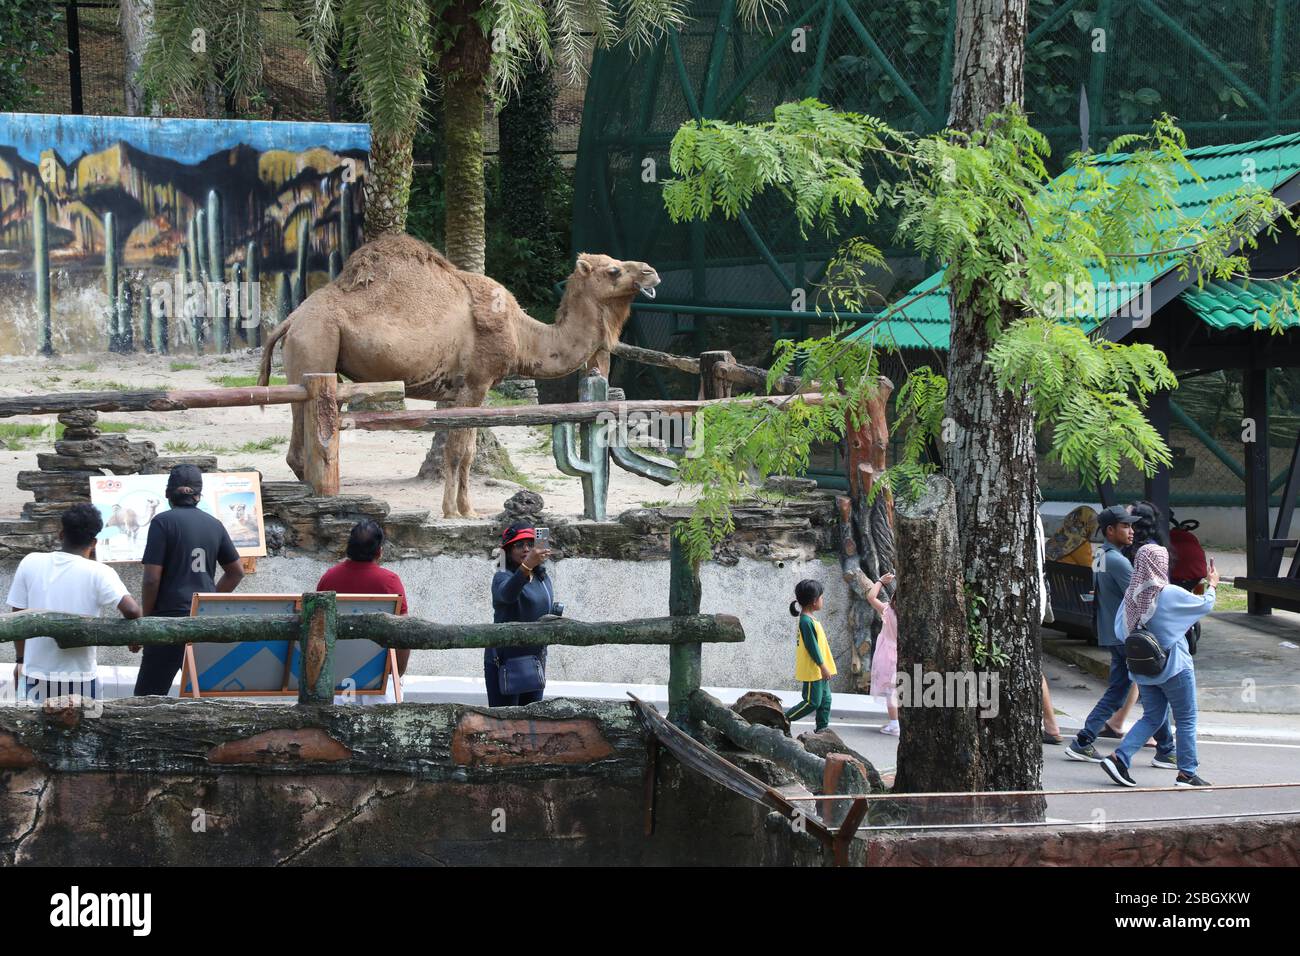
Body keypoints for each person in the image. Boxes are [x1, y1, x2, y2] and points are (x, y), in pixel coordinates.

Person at [1101, 544, 1218, 788]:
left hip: (1143, 668)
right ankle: (1187, 773)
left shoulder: (1130, 597)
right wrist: (1213, 584)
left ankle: (1119, 758)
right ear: (1161, 565)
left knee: (1153, 716)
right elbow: (1205, 605)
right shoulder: (1169, 592)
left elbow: (1120, 632)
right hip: (1174, 667)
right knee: (1186, 719)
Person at [1066, 505, 1175, 765]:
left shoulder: (1101, 555)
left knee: (1129, 690)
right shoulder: (1117, 561)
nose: (1131, 530)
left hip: (1112, 633)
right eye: (1125, 526)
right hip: (1127, 634)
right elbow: (1145, 594)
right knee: (1152, 688)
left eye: (1132, 525)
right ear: (1110, 530)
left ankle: (1164, 748)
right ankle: (1166, 749)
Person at [8, 504, 142, 703]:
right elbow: (131, 610)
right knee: (89, 731)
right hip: (81, 677)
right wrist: (134, 636)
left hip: (34, 674)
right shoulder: (100, 572)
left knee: (32, 732)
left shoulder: (30, 562)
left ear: (61, 534)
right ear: (94, 542)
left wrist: (21, 660)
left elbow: (17, 614)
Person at [131, 465, 244, 696]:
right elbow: (236, 572)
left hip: (166, 622)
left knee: (148, 699)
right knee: (202, 696)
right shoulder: (215, 524)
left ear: (167, 493)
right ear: (198, 496)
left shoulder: (162, 522)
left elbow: (152, 579)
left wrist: (147, 621)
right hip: (201, 621)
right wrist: (209, 603)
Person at [316, 519, 410, 701]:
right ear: (379, 551)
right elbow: (404, 633)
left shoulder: (329, 579)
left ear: (348, 548)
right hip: (379, 676)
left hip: (336, 674)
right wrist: (396, 674)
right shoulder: (389, 582)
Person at [488, 523, 555, 706]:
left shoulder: (542, 578)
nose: (526, 549)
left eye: (530, 543)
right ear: (508, 551)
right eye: (519, 545)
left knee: (532, 721)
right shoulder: (502, 576)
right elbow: (508, 594)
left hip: (535, 660)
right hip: (506, 663)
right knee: (506, 726)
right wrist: (526, 566)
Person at [784, 579, 837, 733]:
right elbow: (812, 647)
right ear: (814, 601)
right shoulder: (806, 621)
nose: (823, 600)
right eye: (821, 597)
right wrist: (823, 667)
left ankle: (822, 730)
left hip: (821, 669)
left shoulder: (811, 619)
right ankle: (783, 719)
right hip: (814, 669)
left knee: (825, 701)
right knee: (812, 702)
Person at [866, 572, 899, 736]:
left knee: (890, 691)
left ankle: (894, 723)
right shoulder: (908, 616)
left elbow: (871, 597)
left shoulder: (888, 610)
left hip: (886, 654)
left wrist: (880, 582)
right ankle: (897, 722)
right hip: (901, 653)